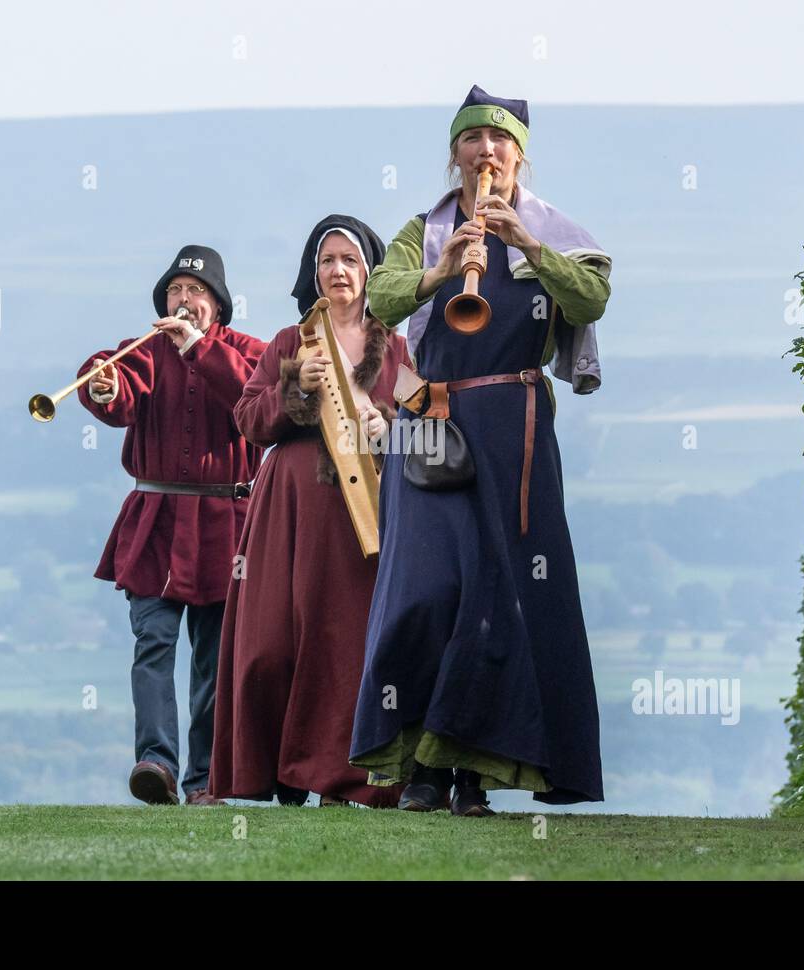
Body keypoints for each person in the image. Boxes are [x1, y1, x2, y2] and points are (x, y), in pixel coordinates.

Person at [349, 85, 613, 816]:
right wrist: (445, 269)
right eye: (473, 141)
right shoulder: (424, 229)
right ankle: (418, 763)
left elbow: (591, 300)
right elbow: (384, 299)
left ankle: (466, 776)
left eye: (499, 142)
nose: (486, 153)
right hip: (430, 417)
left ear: (519, 156)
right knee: (424, 591)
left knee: (500, 598)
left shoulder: (551, 227)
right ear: (455, 153)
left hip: (512, 423)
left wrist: (524, 243)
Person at [209, 215, 411, 808]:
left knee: (343, 646)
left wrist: (390, 427)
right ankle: (279, 773)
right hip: (287, 509)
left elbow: (428, 430)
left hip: (363, 521)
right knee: (271, 643)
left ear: (370, 272)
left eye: (350, 260)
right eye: (328, 261)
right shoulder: (288, 343)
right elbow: (248, 420)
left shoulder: (398, 349)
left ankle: (339, 778)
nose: (338, 271)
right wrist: (292, 387)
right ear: (313, 272)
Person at [78, 244, 266, 806]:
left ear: (218, 306)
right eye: (176, 292)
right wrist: (102, 386)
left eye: (197, 294)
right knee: (153, 642)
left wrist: (200, 351)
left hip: (224, 523)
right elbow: (108, 381)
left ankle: (205, 781)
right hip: (155, 520)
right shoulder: (147, 350)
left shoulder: (248, 352)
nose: (184, 302)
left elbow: (256, 399)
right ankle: (156, 762)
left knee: (213, 656)